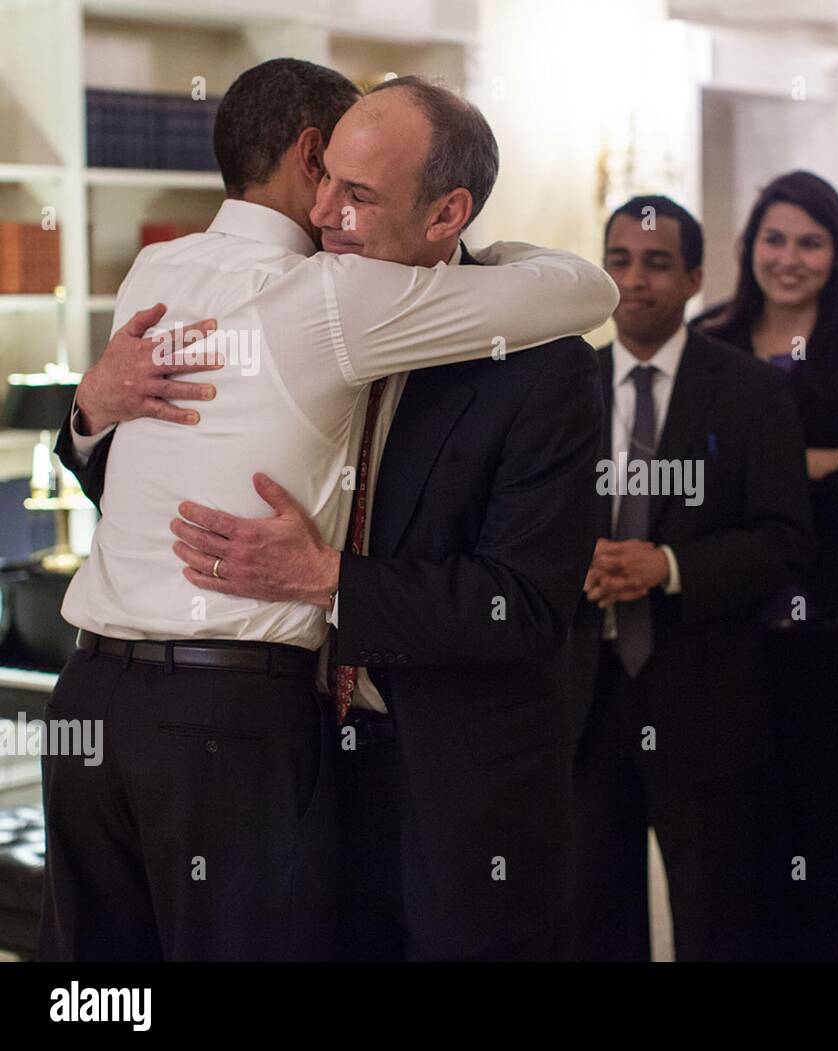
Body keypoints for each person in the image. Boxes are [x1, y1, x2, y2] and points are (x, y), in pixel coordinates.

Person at [49, 66, 616, 961]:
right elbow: (164, 484)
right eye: (326, 184)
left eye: (356, 196)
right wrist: (89, 414)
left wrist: (326, 579)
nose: (321, 216)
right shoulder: (290, 289)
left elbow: (527, 605)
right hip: (277, 754)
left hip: (439, 789)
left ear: (446, 214)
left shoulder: (539, 369)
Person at [566, 195, 813, 961]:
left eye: (657, 262)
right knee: (591, 917)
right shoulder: (562, 385)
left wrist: (669, 566)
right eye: (620, 259)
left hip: (703, 694)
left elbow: (786, 540)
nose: (634, 279)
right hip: (584, 694)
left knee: (716, 919)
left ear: (696, 276)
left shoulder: (751, 390)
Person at [699, 170, 838, 960]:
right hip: (729, 637)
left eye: (811, 242)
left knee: (837, 845)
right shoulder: (711, 342)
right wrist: (807, 467)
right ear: (750, 245)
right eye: (775, 238)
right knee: (743, 844)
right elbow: (700, 497)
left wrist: (770, 480)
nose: (788, 257)